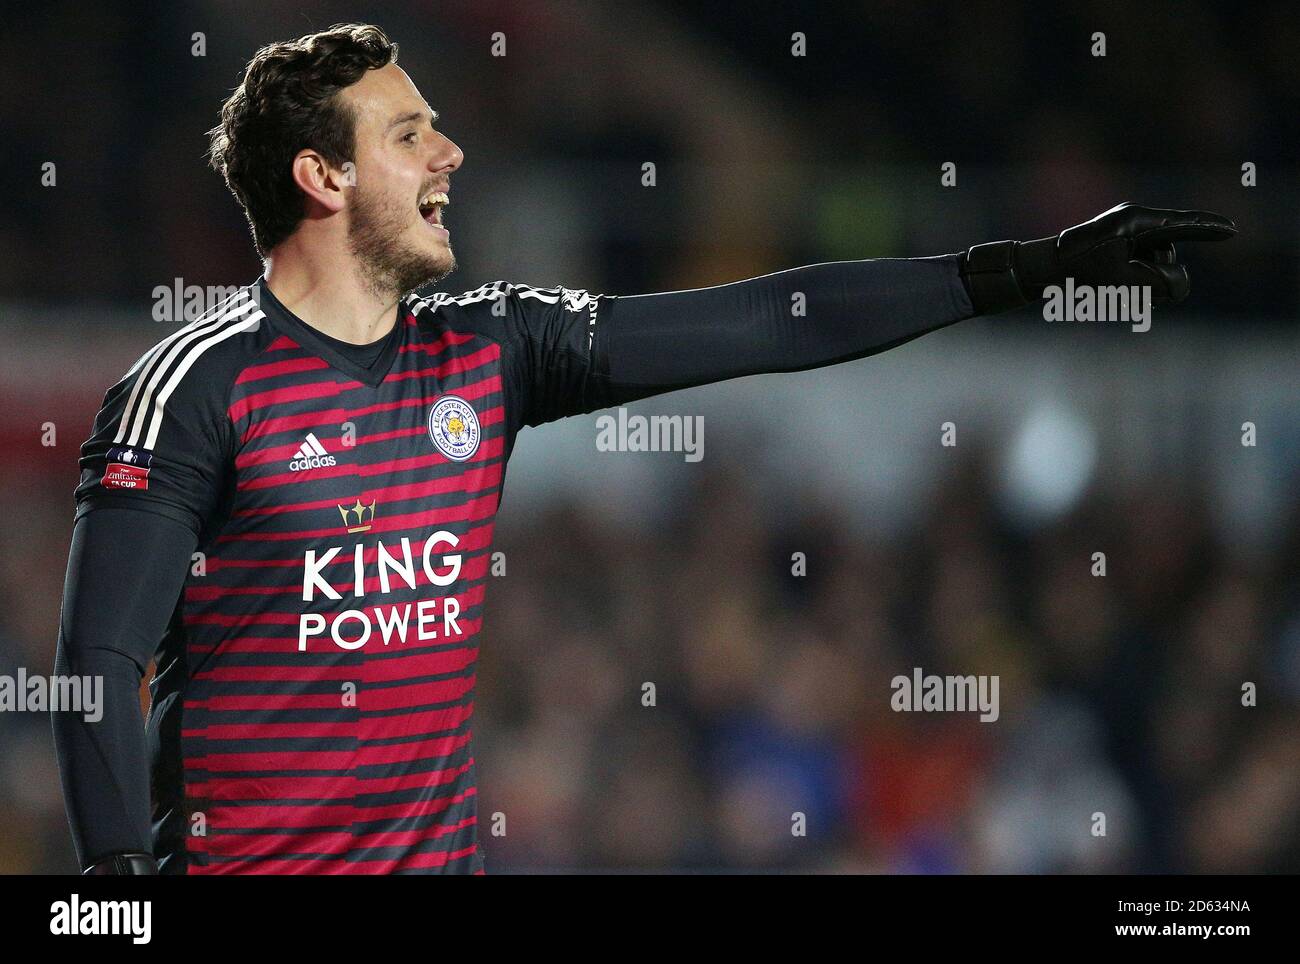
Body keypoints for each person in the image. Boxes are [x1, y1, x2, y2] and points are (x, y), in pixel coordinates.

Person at [51, 22, 1235, 874]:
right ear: (323, 176)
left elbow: (775, 317)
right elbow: (98, 666)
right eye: (412, 133)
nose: (450, 154)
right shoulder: (193, 393)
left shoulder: (489, 348)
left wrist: (1022, 267)